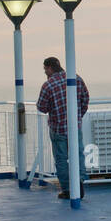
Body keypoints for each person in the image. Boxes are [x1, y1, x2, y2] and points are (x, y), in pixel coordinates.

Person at [36, 56, 90, 199]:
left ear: (49, 68)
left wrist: (51, 109)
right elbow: (85, 99)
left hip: (58, 128)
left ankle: (67, 189)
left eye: (45, 69)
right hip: (75, 126)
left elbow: (41, 107)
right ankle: (79, 179)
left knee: (61, 159)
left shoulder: (48, 85)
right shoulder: (76, 79)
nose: (45, 72)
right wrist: (78, 116)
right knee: (78, 155)